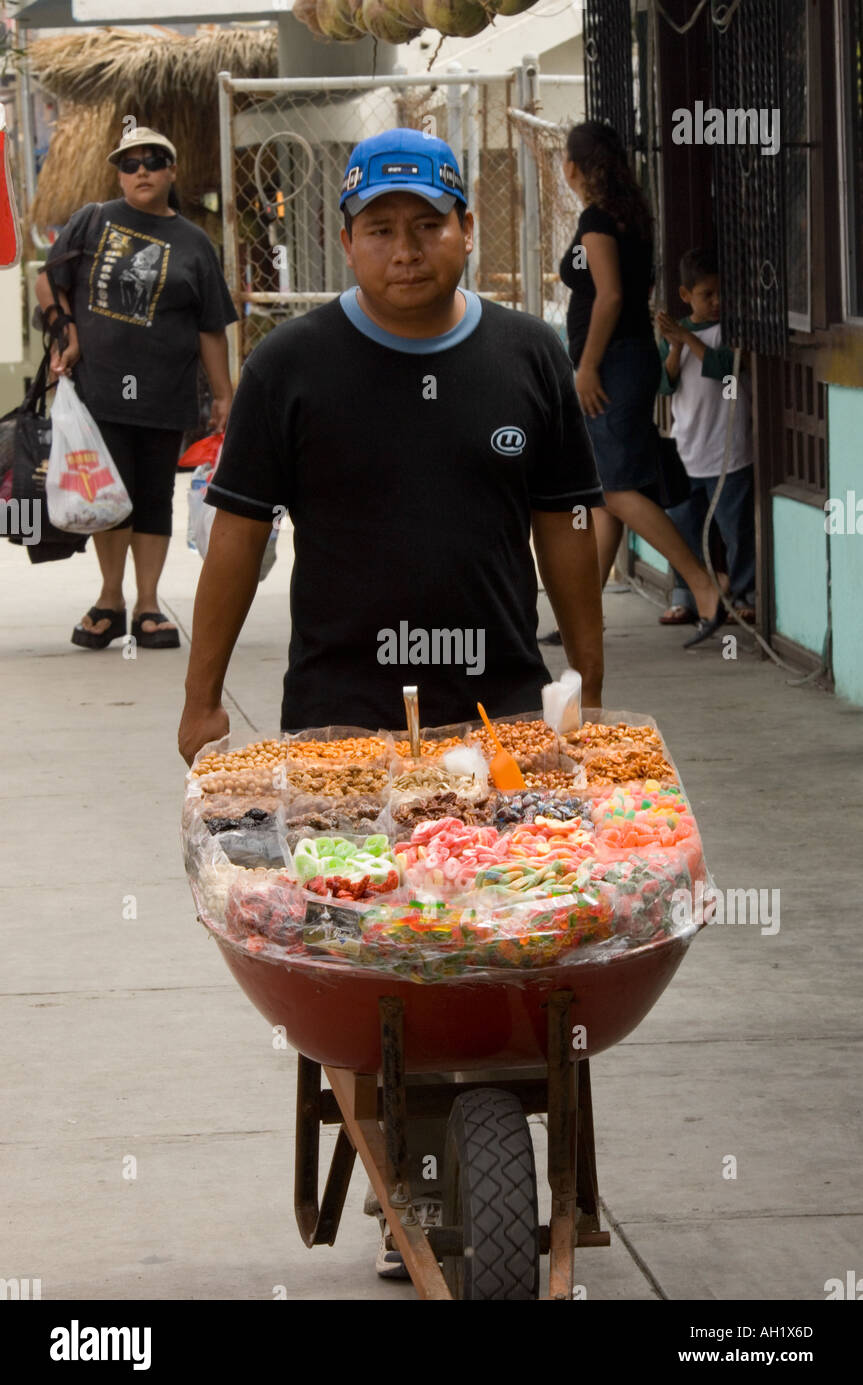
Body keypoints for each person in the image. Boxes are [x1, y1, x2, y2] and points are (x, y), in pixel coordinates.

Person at [177, 127, 605, 1276]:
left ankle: (491, 1154)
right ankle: (396, 1180)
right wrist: (200, 696)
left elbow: (565, 524)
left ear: (465, 228)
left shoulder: (525, 354)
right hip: (339, 716)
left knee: (507, 931)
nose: (405, 251)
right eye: (381, 230)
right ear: (347, 240)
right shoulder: (289, 366)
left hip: (498, 712)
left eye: (428, 225)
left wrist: (589, 682)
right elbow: (236, 541)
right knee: (365, 955)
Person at [35, 126, 237, 650]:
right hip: (99, 387)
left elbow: (211, 326)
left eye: (153, 161)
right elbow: (47, 281)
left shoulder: (194, 243)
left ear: (172, 170)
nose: (141, 170)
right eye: (130, 164)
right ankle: (110, 600)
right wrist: (66, 333)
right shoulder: (93, 220)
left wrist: (223, 395)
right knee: (109, 494)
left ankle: (148, 606)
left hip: (165, 392)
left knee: (151, 497)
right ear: (119, 174)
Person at [553, 121, 724, 649]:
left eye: (566, 158)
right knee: (608, 494)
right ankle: (582, 616)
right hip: (628, 361)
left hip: (611, 366)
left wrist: (586, 366)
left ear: (575, 167)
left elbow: (608, 298)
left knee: (617, 490)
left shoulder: (598, 220)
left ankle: (703, 586)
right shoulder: (632, 215)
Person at [656, 248, 756, 625]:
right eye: (706, 295)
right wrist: (676, 344)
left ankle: (745, 593)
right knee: (682, 532)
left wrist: (687, 337)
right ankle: (686, 595)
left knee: (736, 530)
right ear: (686, 296)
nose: (716, 301)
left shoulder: (731, 331)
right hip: (687, 453)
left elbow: (724, 369)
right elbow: (665, 385)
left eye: (720, 293)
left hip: (728, 453)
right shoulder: (675, 335)